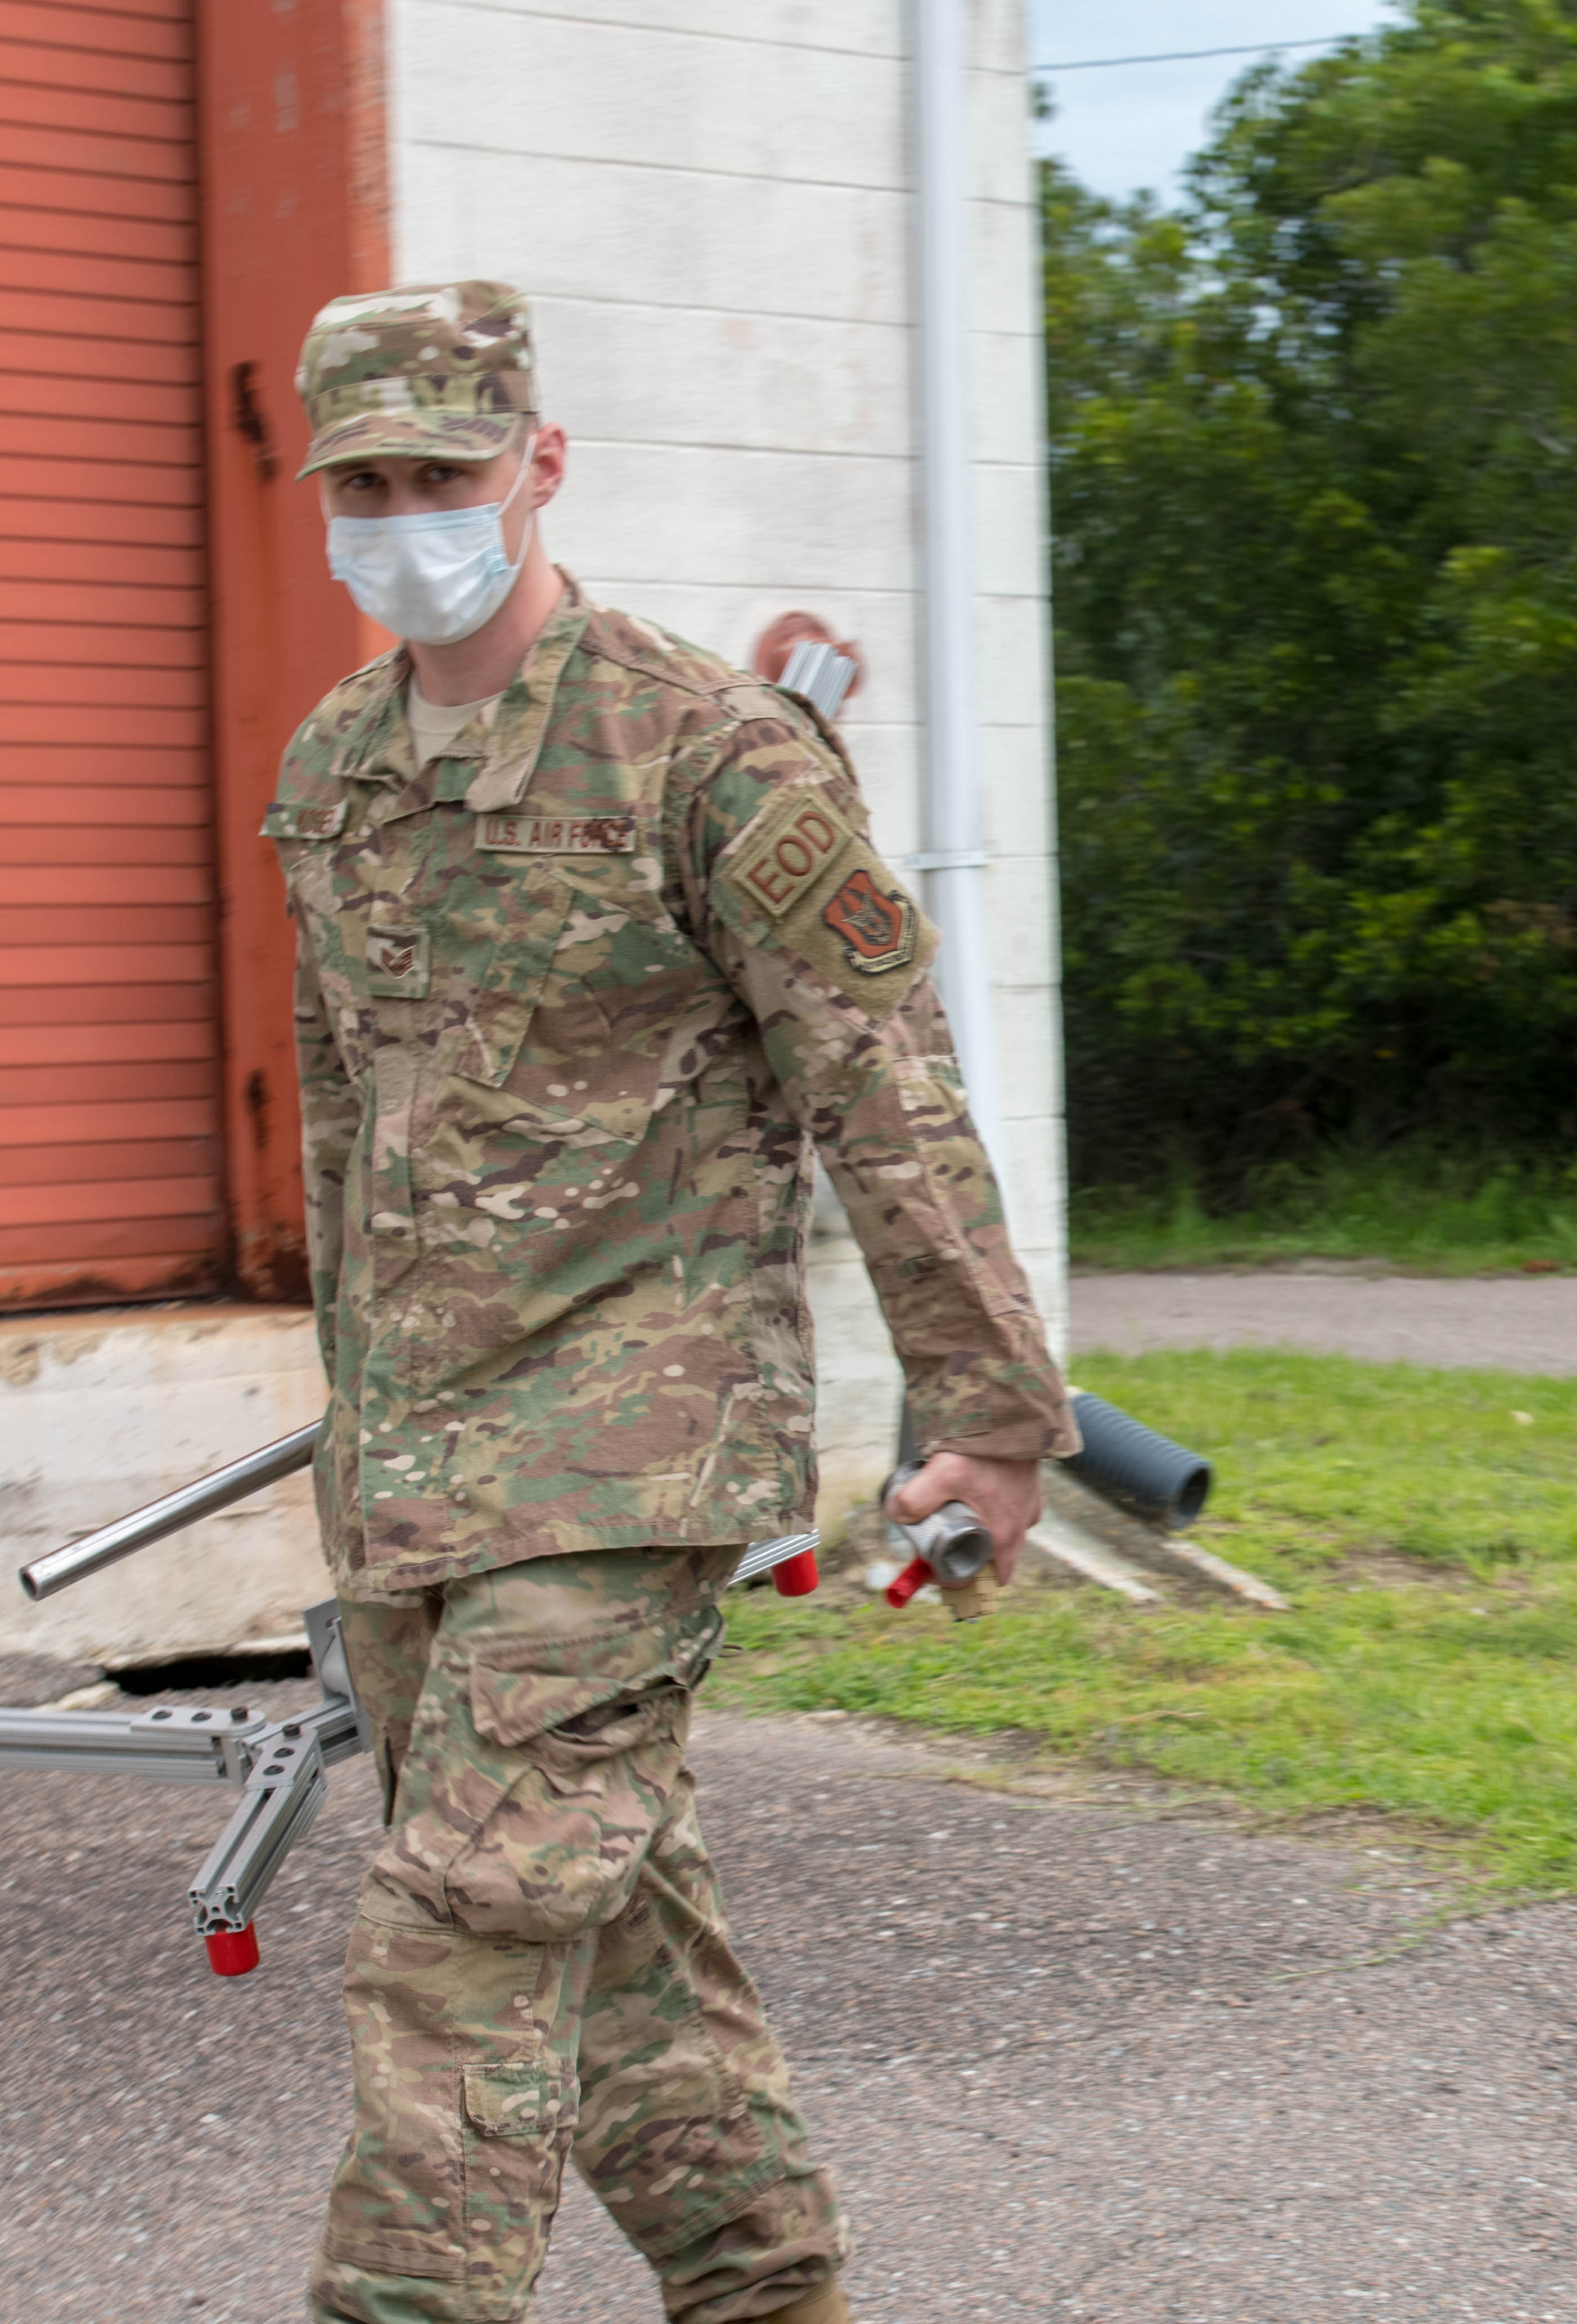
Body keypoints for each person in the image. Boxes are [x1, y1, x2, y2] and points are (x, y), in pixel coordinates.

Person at [269, 280, 1075, 2324]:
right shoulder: (339, 767)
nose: (399, 516)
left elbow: (885, 1093)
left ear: (540, 462)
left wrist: (986, 1410)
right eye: (361, 482)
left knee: (454, 1943)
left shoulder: (712, 752)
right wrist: (351, 1432)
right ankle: (766, 2290)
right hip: (423, 1476)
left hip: (632, 1454)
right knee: (615, 1947)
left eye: (440, 473)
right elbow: (347, 1126)